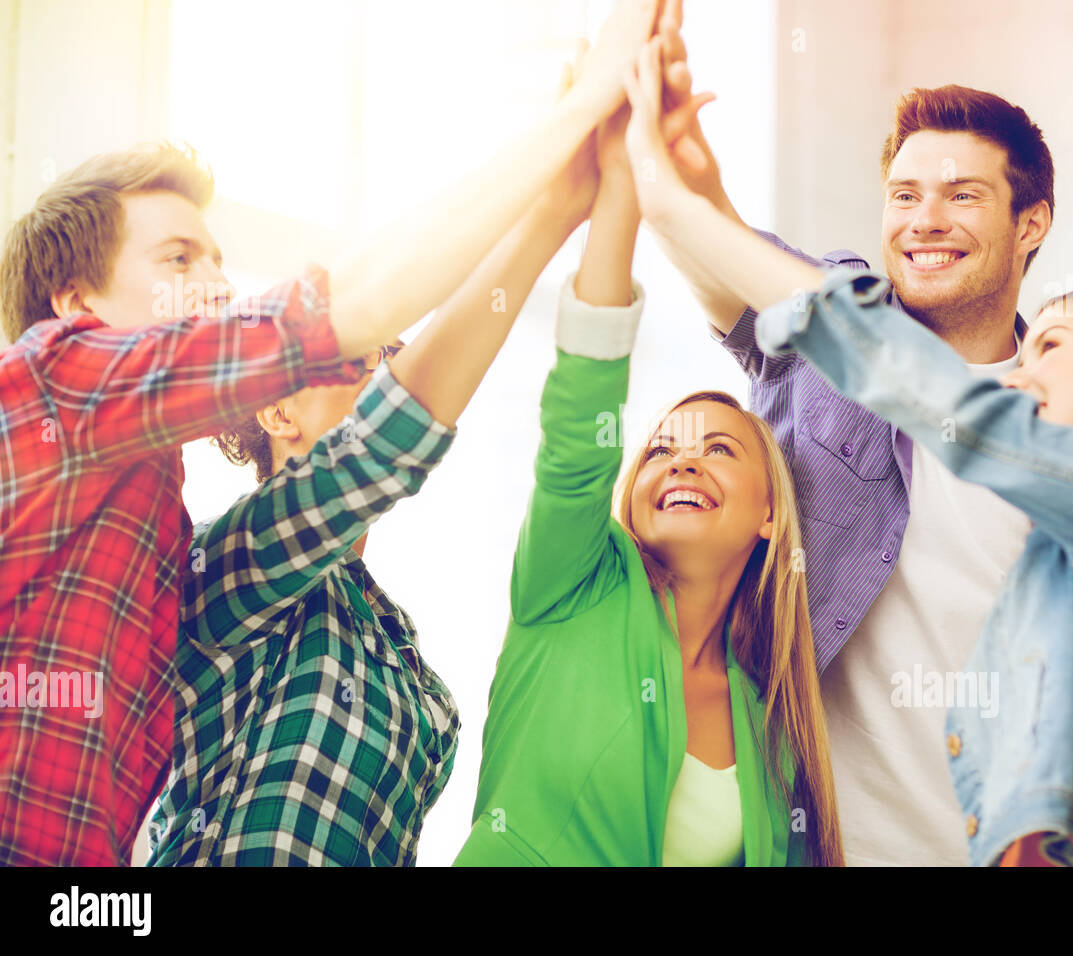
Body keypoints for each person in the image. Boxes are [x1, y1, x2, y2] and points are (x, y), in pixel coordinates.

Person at [0, 0, 662, 866]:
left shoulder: (160, 553)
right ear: (77, 303)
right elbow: (357, 359)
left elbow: (383, 437)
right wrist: (570, 124)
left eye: (215, 258)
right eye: (177, 260)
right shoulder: (52, 383)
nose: (216, 284)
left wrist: (558, 210)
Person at [641, 1, 1073, 865]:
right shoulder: (837, 345)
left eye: (962, 195)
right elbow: (741, 282)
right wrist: (688, 192)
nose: (924, 220)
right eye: (905, 195)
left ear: (1032, 224)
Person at [148, 118, 604, 866]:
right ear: (277, 410)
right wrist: (549, 211)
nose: (389, 380)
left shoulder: (398, 645)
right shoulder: (222, 568)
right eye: (366, 366)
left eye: (392, 361)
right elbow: (379, 448)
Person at [454, 97, 843, 868]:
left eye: (720, 452)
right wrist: (627, 181)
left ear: (771, 515)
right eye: (663, 448)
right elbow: (580, 412)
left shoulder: (771, 728)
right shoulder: (569, 586)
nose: (684, 459)